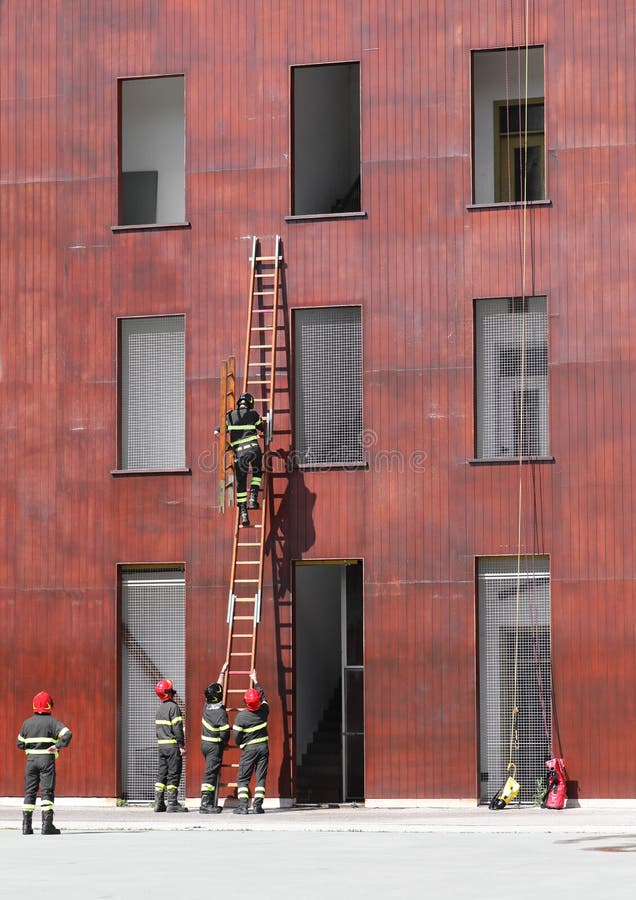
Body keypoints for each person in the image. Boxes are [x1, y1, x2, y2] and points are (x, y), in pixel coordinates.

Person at [16, 691, 72, 835]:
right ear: (49, 705)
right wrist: (57, 746)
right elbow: (67, 734)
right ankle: (47, 826)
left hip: (31, 761)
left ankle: (26, 827)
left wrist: (31, 748)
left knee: (30, 792)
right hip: (47, 760)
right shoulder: (53, 722)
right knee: (47, 791)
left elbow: (20, 744)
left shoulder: (26, 723)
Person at [225, 392, 265, 527]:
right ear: (250, 403)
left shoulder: (229, 417)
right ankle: (253, 498)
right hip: (254, 449)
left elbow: (217, 432)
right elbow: (263, 428)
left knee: (241, 484)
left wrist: (229, 446)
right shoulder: (253, 414)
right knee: (257, 472)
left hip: (239, 454)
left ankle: (243, 513)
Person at [232, 668, 269, 814]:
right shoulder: (264, 711)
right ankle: (258, 806)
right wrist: (255, 680)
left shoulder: (241, 717)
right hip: (263, 748)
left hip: (249, 749)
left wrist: (241, 744)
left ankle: (243, 806)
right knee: (260, 777)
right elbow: (264, 697)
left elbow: (236, 737)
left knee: (243, 778)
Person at [200, 661, 230, 814]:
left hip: (205, 744)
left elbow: (217, 689)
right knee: (210, 773)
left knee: (210, 771)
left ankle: (209, 801)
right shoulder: (221, 714)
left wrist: (222, 672)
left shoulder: (207, 706)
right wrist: (225, 742)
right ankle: (205, 805)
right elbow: (225, 733)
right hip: (214, 747)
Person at [154, 678, 188, 813]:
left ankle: (159, 803)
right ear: (169, 692)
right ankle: (172, 803)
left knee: (162, 773)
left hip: (162, 746)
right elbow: (178, 728)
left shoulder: (160, 709)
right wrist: (182, 745)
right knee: (174, 773)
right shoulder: (173, 707)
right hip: (173, 746)